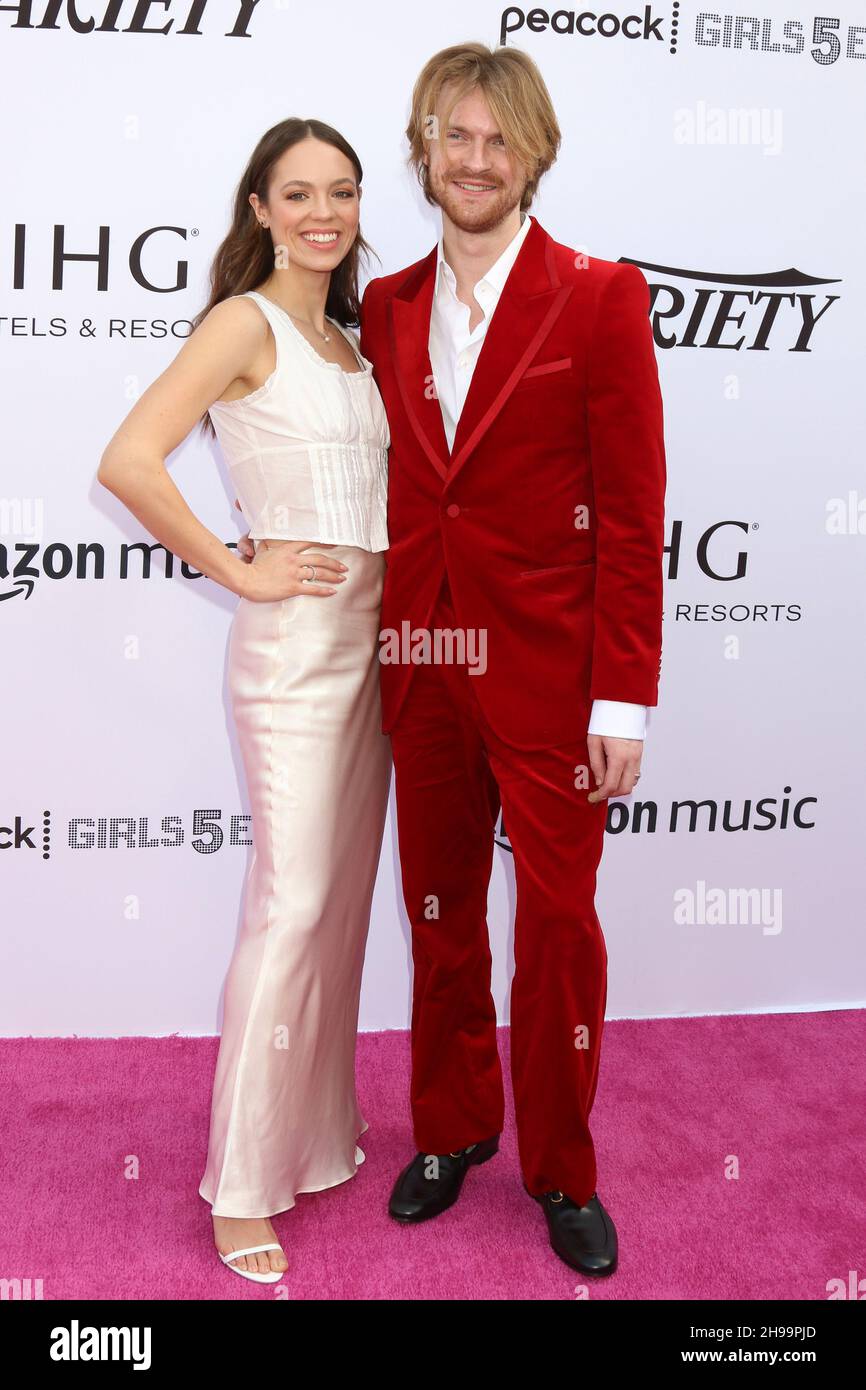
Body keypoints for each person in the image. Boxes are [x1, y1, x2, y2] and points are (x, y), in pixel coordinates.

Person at [358, 43, 667, 1276]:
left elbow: (633, 516)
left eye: (497, 140)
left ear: (532, 154)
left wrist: (620, 696)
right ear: (424, 147)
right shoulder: (384, 308)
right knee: (439, 916)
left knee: (555, 927)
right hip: (422, 656)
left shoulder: (597, 296)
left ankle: (560, 1166)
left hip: (551, 675)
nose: (472, 161)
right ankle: (449, 1132)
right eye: (453, 136)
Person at [97, 119, 392, 1283]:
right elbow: (129, 459)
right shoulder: (245, 321)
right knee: (293, 900)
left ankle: (310, 1139)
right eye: (299, 193)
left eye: (344, 192)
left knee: (335, 908)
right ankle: (237, 1183)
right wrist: (239, 567)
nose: (324, 212)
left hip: (377, 647)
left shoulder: (349, 337)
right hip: (295, 648)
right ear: (259, 208)